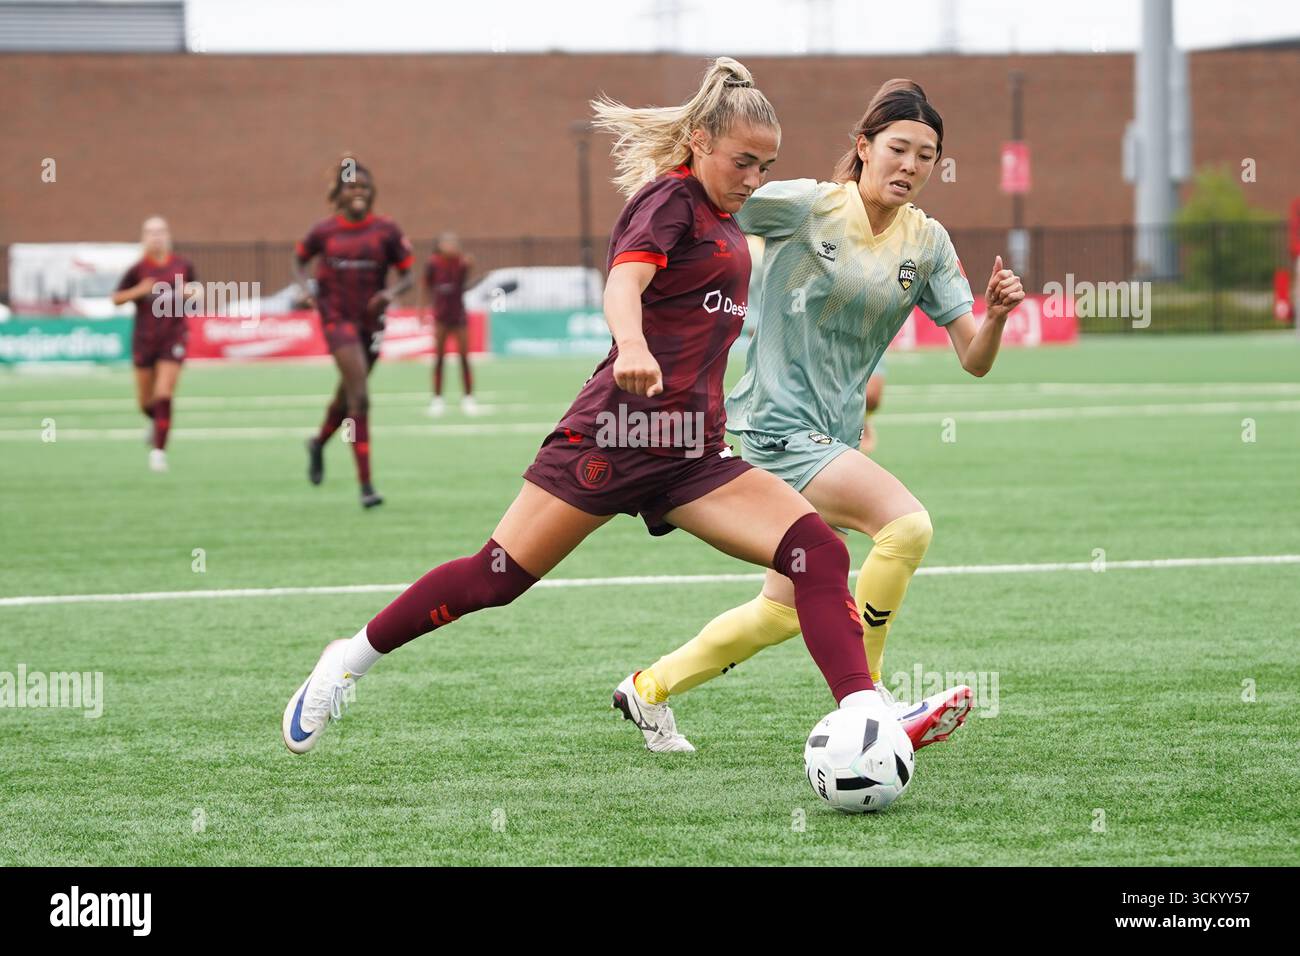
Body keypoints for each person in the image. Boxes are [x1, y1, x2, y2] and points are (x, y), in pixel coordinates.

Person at [282, 57, 891, 757]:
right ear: (699, 140)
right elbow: (623, 286)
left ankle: (864, 717)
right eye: (743, 162)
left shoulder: (727, 222)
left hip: (692, 451)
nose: (754, 179)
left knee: (815, 551)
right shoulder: (667, 202)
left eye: (766, 165)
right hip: (617, 433)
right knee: (494, 579)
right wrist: (630, 343)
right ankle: (346, 661)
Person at [619, 79, 1025, 753]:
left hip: (831, 437)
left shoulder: (927, 244)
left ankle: (647, 689)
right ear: (863, 148)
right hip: (776, 430)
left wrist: (999, 317)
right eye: (898, 148)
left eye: (926, 155)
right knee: (905, 526)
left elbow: (973, 360)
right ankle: (875, 703)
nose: (911, 165)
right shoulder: (804, 205)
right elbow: (702, 200)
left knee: (780, 611)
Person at [295, 157, 414, 508]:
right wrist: (305, 289)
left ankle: (318, 443)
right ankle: (366, 487)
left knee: (347, 396)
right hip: (336, 318)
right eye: (351, 187)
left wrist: (389, 295)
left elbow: (407, 274)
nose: (358, 192)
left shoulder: (386, 231)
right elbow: (299, 260)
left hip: (371, 322)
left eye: (363, 187)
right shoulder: (323, 231)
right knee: (360, 397)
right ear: (339, 194)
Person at [111, 216, 200, 473]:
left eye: (160, 232)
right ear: (144, 237)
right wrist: (138, 291)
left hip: (173, 337)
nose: (156, 236)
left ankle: (159, 452)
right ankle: (157, 423)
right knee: (145, 402)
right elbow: (116, 298)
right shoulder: (138, 269)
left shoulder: (182, 265)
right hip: (145, 339)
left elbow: (198, 293)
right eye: (151, 232)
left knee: (164, 394)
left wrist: (191, 293)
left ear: (168, 235)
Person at [424, 232, 477, 416]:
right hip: (440, 317)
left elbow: (466, 277)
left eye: (454, 243)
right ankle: (437, 399)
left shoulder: (461, 263)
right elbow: (426, 286)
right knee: (439, 358)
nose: (451, 246)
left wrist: (469, 265)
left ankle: (468, 398)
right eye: (447, 243)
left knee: (464, 358)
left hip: (459, 316)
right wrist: (422, 311)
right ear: (439, 246)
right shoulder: (433, 264)